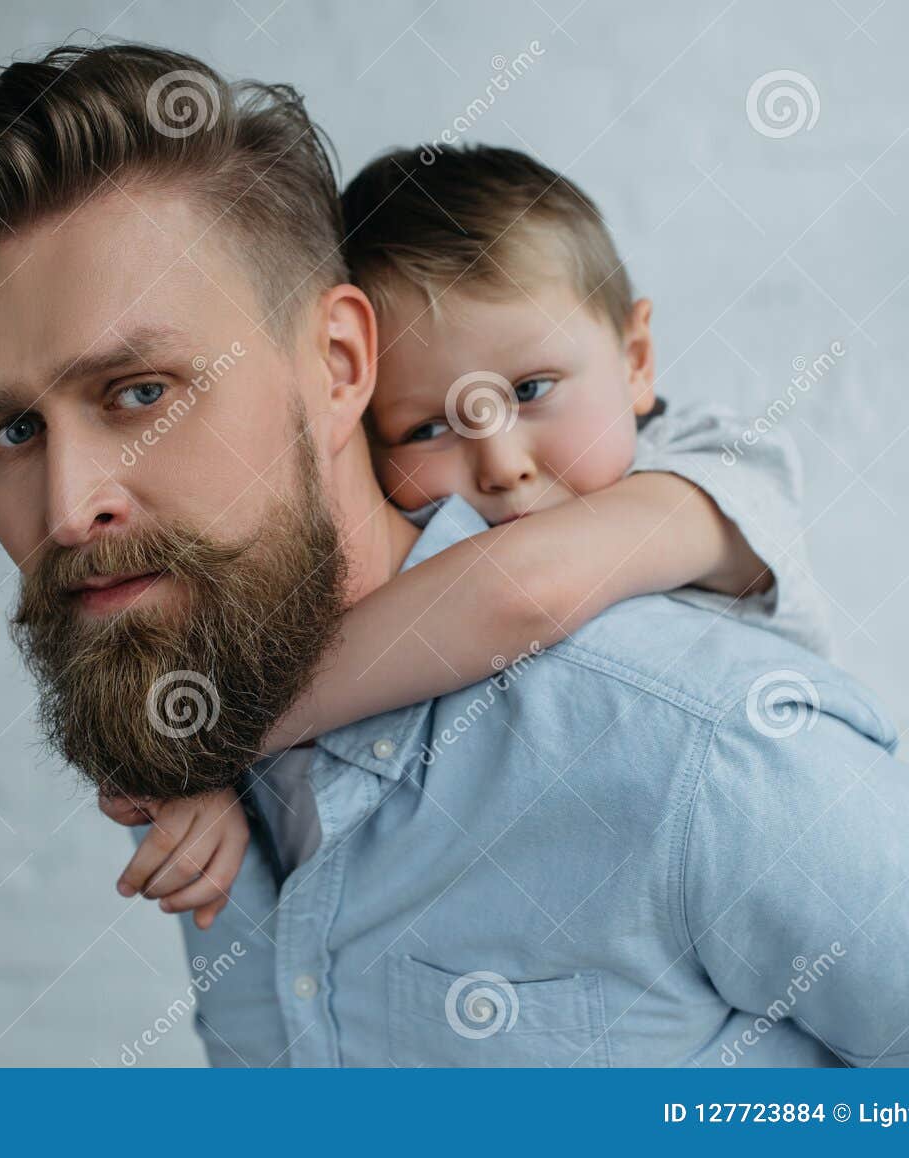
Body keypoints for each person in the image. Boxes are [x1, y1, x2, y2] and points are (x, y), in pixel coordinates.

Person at [0, 41, 909, 1066]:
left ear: (340, 364)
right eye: (11, 428)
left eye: (140, 394)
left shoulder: (692, 740)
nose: (69, 505)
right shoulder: (213, 763)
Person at [105, 140, 835, 928]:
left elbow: (522, 591)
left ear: (636, 357)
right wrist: (208, 782)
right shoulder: (391, 548)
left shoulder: (714, 471)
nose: (503, 465)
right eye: (426, 428)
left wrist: (214, 740)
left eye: (530, 389)